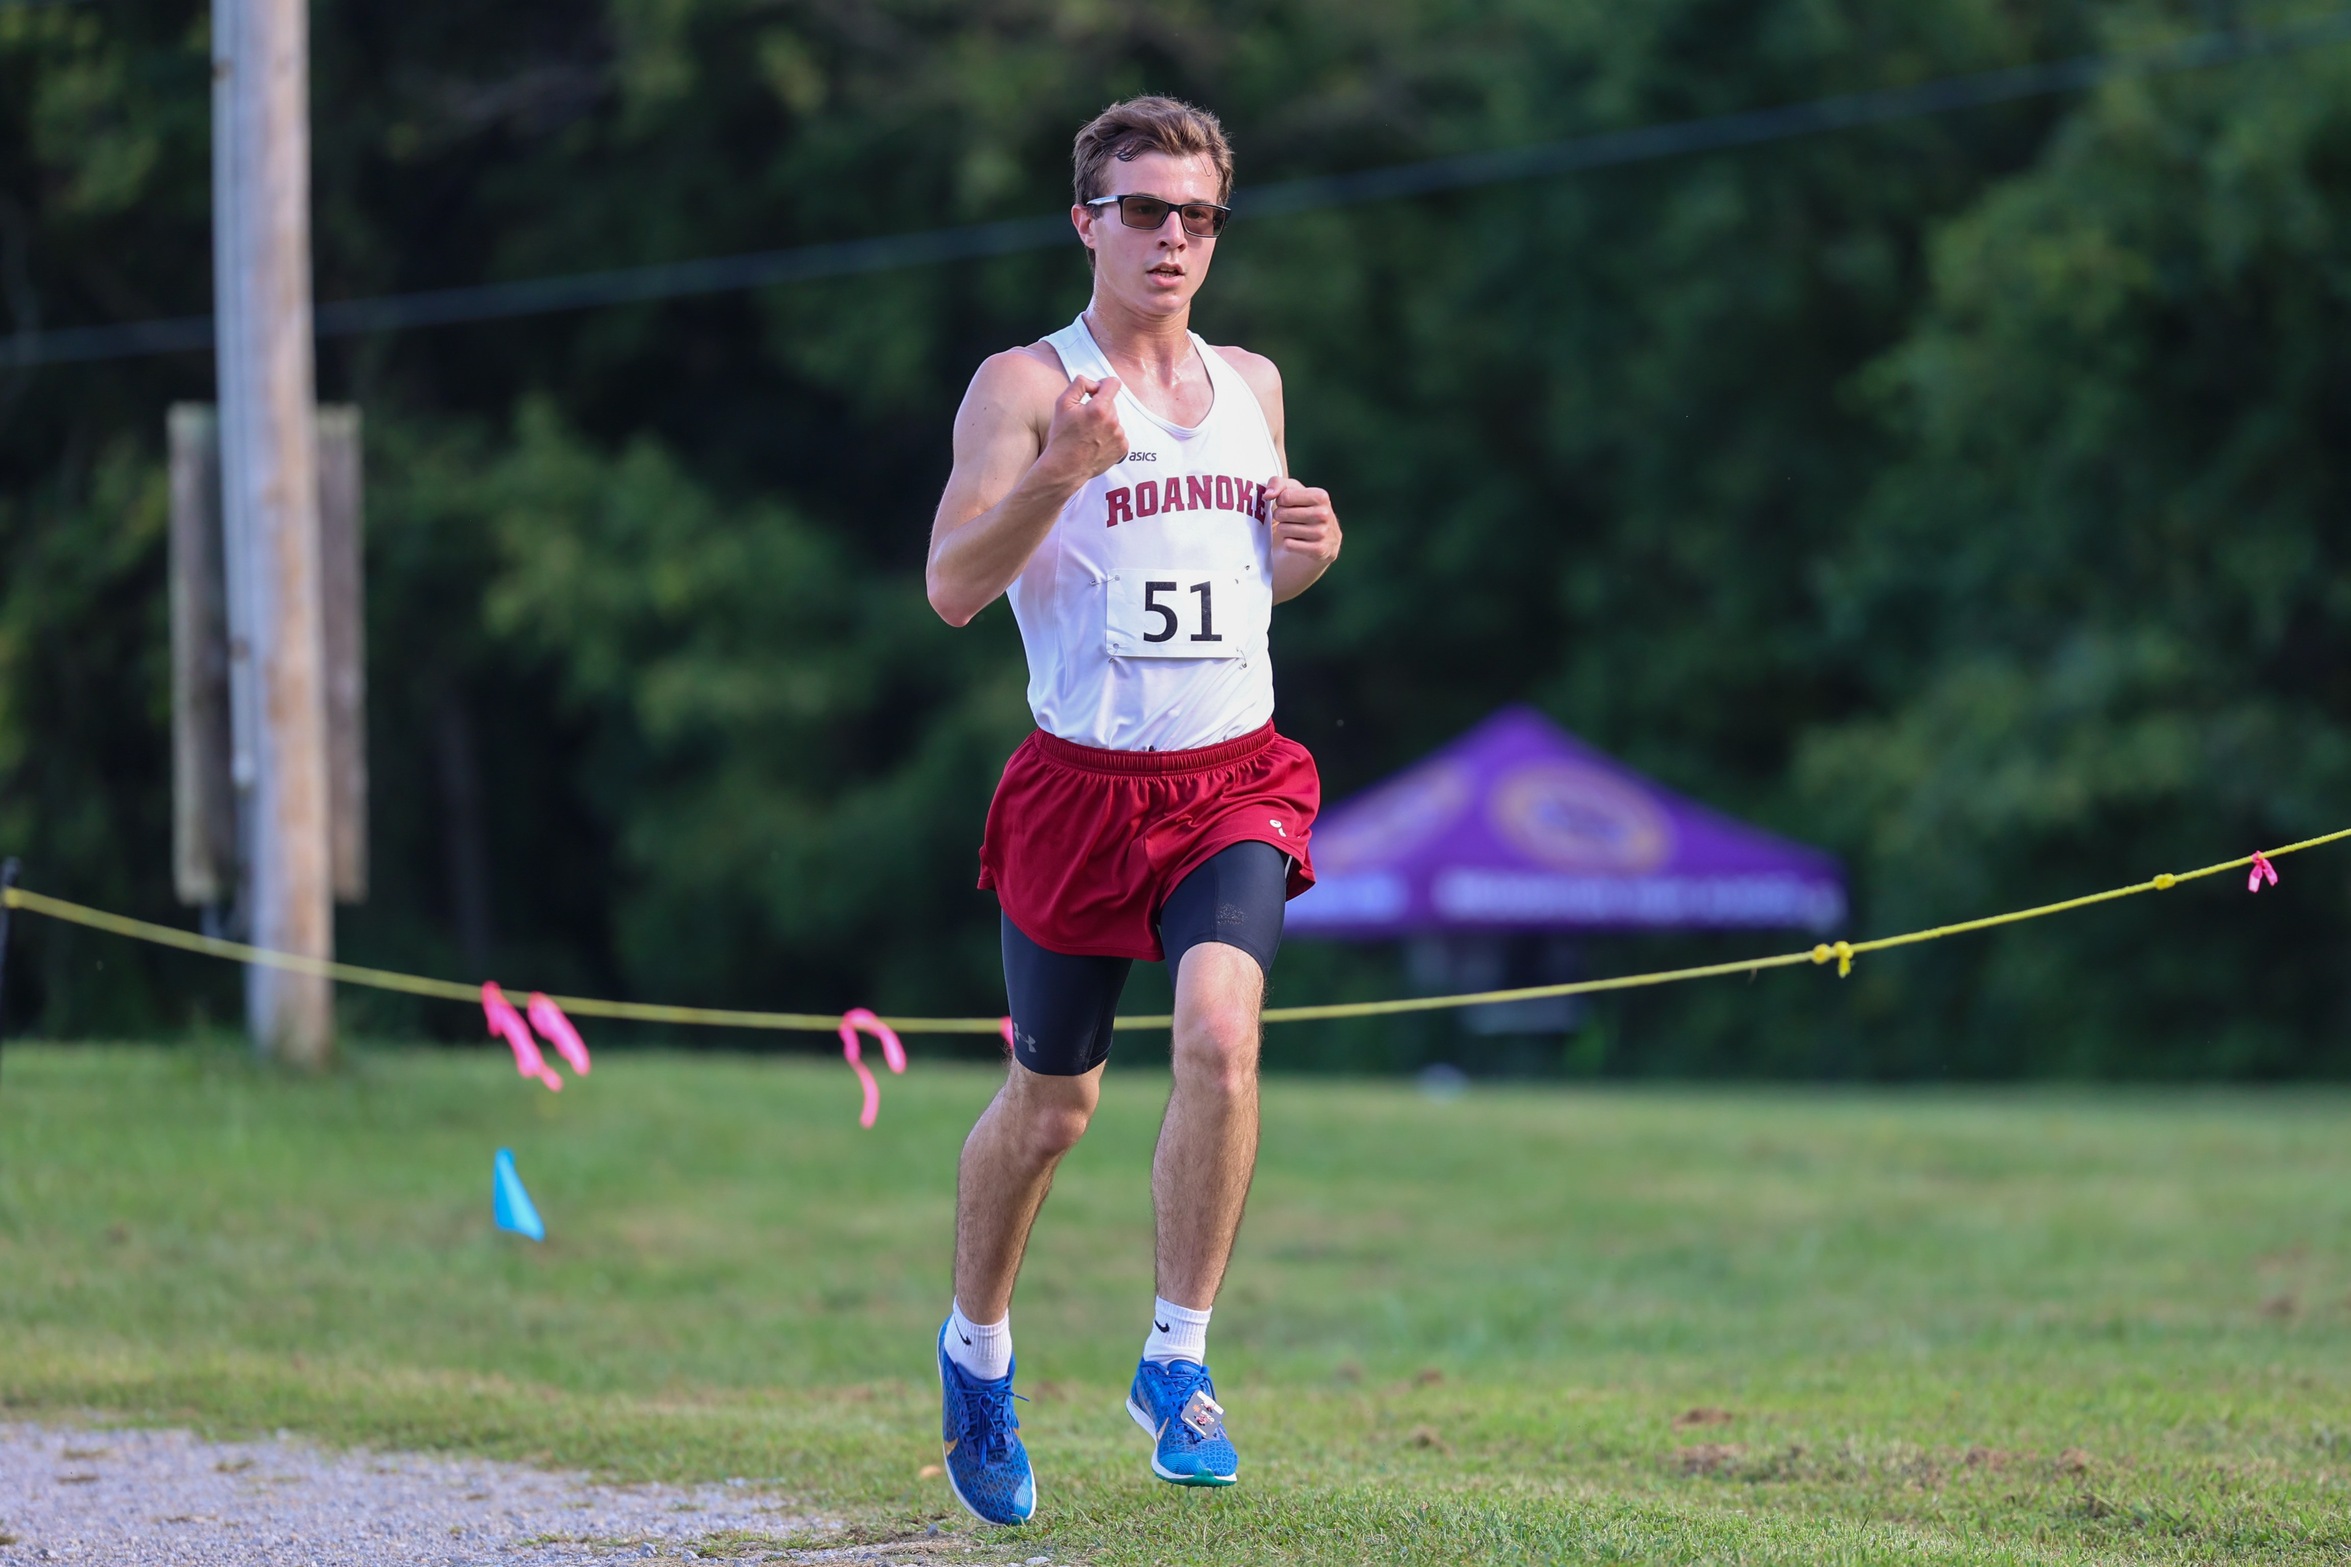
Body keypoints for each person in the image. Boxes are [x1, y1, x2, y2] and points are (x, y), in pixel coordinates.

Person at [922, 95, 1343, 1526]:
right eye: (1145, 211)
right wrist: (1058, 469)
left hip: (1233, 778)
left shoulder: (1254, 385)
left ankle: (1178, 1359)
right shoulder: (1026, 386)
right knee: (1053, 1110)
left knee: (1221, 1036)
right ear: (1087, 222)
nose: (1173, 239)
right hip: (1079, 796)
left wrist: (1311, 553)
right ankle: (976, 1357)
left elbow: (1245, 581)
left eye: (1199, 216)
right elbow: (954, 587)